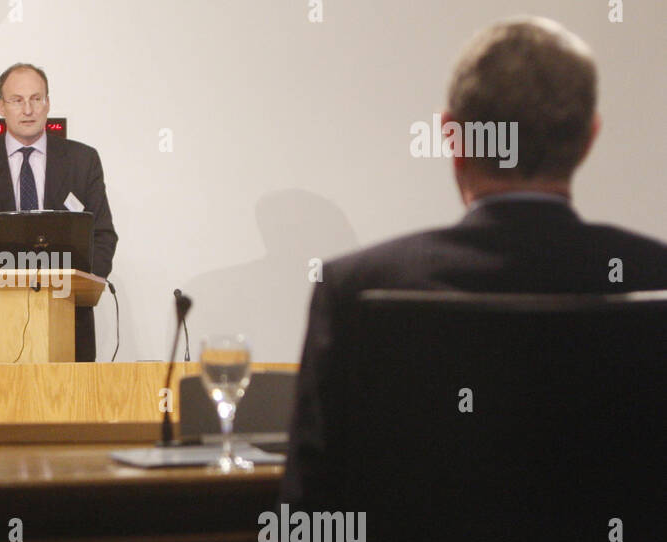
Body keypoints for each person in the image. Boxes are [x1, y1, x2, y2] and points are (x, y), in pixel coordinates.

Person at [282, 17, 667, 507]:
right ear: (589, 138)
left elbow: (309, 513)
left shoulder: (353, 290)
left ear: (451, 135)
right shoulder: (656, 276)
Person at [0, 63, 118, 361]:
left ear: (48, 104)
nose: (27, 109)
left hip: (67, 320)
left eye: (36, 98)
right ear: (1, 107)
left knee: (68, 408)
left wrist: (78, 285)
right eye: (17, 100)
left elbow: (103, 236)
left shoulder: (82, 161)